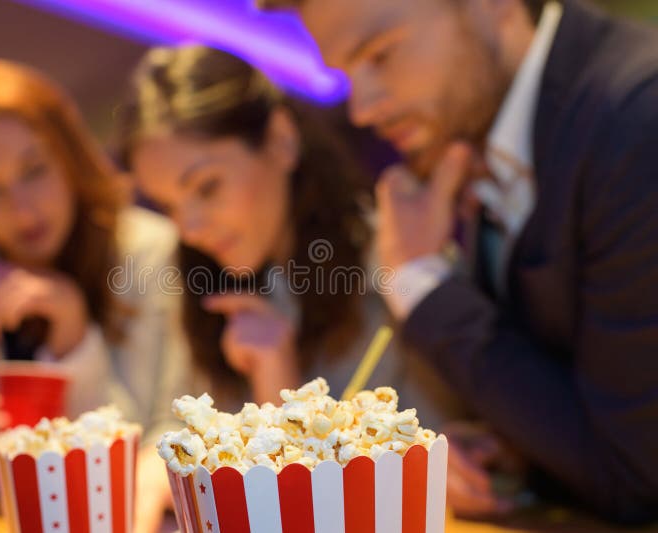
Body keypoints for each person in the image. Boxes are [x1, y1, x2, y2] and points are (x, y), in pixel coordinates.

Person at [258, 0, 658, 523]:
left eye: (379, 55)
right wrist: (508, 449)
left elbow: (635, 475)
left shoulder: (635, 120)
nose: (362, 109)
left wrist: (418, 282)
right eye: (346, 73)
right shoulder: (481, 139)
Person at [0, 59, 188, 515]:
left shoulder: (149, 250)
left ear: (69, 157)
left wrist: (73, 339)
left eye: (34, 171)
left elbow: (167, 435)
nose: (22, 211)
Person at [117, 45, 464, 425]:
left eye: (207, 188)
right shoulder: (210, 294)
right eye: (168, 206)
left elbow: (479, 444)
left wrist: (275, 376)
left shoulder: (395, 258)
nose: (190, 229)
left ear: (282, 139)